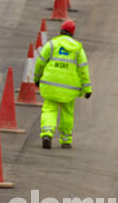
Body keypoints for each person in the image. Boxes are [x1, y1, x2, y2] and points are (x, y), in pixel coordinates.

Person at [34, 18, 91, 149]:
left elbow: (40, 63)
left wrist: (37, 78)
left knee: (49, 109)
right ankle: (65, 141)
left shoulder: (52, 44)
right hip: (69, 89)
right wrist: (87, 89)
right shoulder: (78, 49)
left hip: (50, 85)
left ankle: (47, 134)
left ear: (60, 31)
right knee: (67, 113)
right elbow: (83, 70)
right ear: (73, 33)